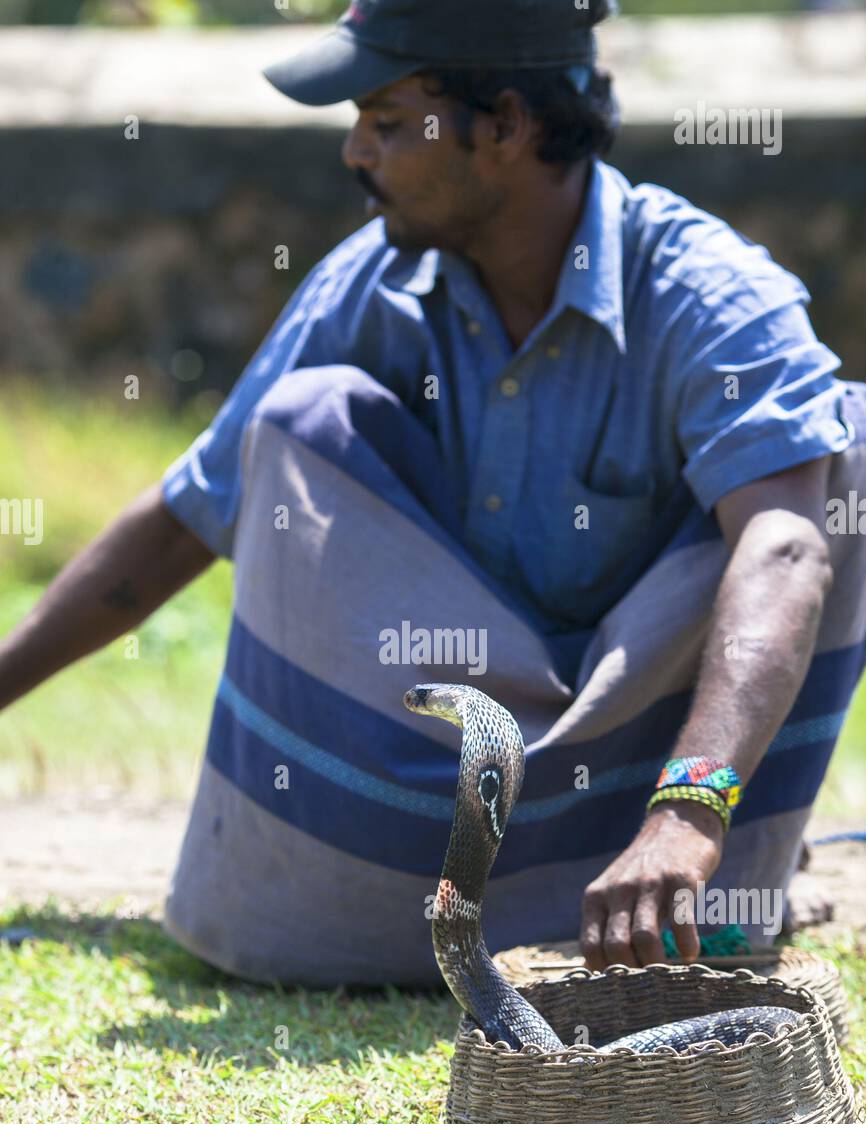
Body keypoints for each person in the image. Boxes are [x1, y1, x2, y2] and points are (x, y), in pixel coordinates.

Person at [1, 0, 863, 987]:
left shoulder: (708, 298)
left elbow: (786, 549)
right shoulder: (369, 284)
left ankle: (683, 881)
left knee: (831, 453)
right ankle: (482, 912)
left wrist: (687, 809)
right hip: (447, 797)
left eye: (382, 119)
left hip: (643, 793)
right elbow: (182, 519)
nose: (354, 153)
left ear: (501, 124)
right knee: (303, 414)